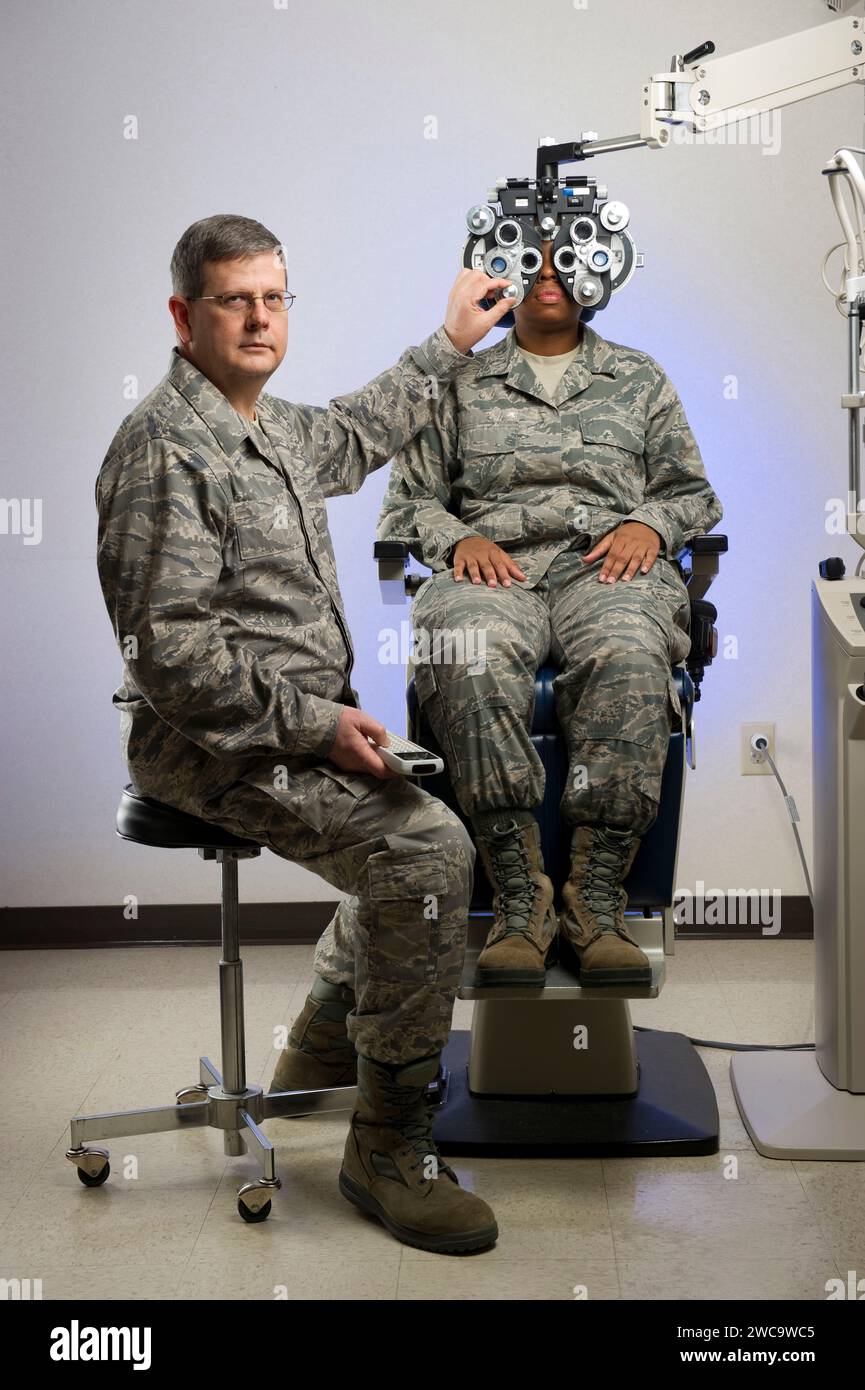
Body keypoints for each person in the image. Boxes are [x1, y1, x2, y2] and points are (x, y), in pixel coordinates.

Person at [95, 213, 516, 1254]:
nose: (257, 318)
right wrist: (315, 727)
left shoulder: (271, 427)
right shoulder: (162, 449)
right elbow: (173, 658)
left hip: (292, 728)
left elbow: (361, 429)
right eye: (234, 299)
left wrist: (450, 340)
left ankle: (322, 1045)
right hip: (211, 747)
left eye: (273, 299)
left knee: (435, 804)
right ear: (183, 314)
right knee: (423, 848)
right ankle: (387, 1145)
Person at [377, 235, 724, 989]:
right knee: (465, 653)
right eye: (526, 259)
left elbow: (692, 493)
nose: (545, 276)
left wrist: (650, 525)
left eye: (564, 259)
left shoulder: (636, 377)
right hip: (491, 567)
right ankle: (516, 896)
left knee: (629, 654)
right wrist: (457, 535)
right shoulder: (456, 382)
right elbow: (406, 504)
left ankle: (595, 900)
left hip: (607, 566)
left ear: (598, 272)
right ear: (496, 273)